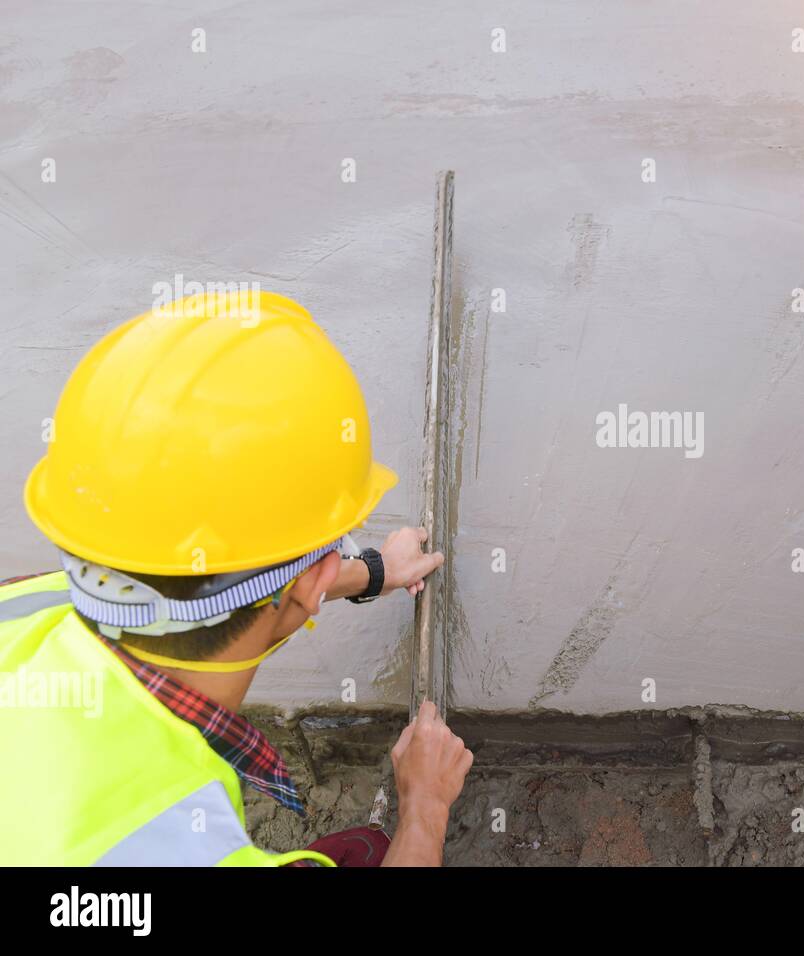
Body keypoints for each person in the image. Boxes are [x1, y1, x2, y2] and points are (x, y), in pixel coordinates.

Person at [0, 289, 472, 866]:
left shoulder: (24, 606)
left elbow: (209, 593)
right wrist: (426, 803)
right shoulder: (162, 848)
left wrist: (373, 571)